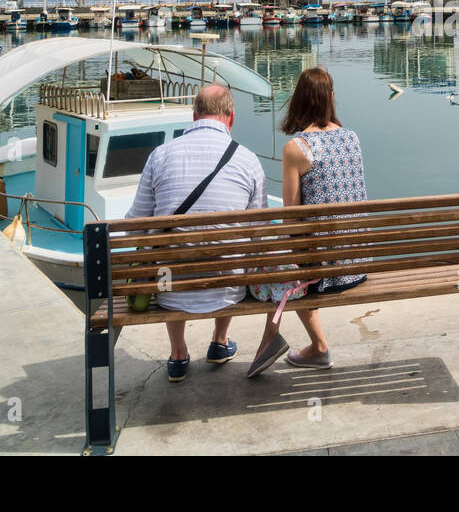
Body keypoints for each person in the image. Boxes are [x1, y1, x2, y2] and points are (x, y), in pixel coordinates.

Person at [126, 84, 265, 382]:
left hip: (169, 288)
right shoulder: (248, 159)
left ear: (193, 115)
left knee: (165, 255)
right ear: (231, 117)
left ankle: (178, 354)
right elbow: (259, 231)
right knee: (232, 249)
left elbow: (135, 222)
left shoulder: (160, 155)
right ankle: (220, 341)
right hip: (229, 286)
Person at [246, 66, 367, 377]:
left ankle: (297, 345)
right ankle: (309, 347)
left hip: (325, 274)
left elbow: (291, 216)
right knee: (293, 260)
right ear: (330, 99)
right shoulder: (352, 137)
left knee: (276, 262)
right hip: (357, 263)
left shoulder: (297, 148)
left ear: (297, 101)